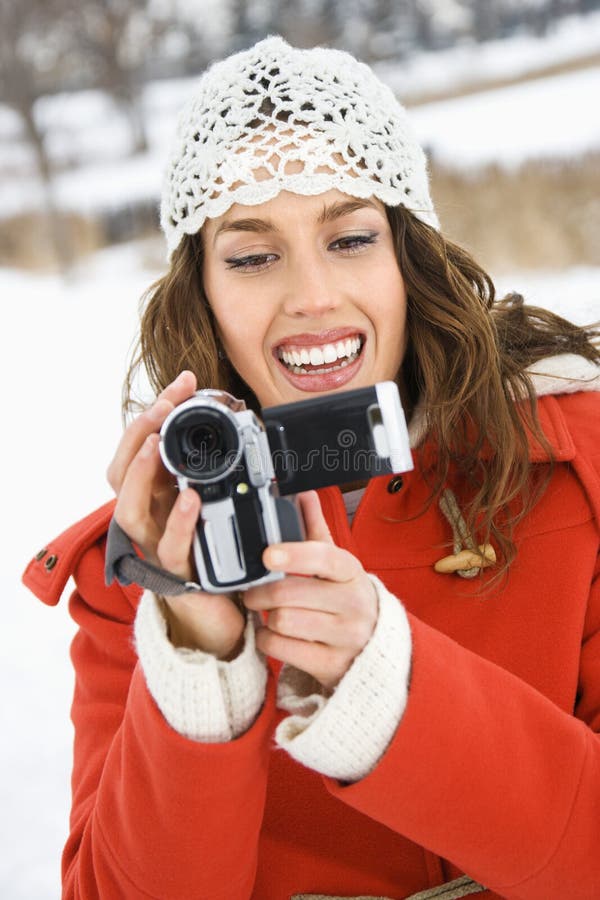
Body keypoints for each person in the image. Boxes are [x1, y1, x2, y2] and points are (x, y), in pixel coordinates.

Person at [23, 36, 600, 900]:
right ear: (201, 293)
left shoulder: (578, 466)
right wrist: (200, 663)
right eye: (253, 257)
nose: (312, 297)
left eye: (350, 238)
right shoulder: (140, 569)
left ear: (408, 258)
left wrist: (391, 684)